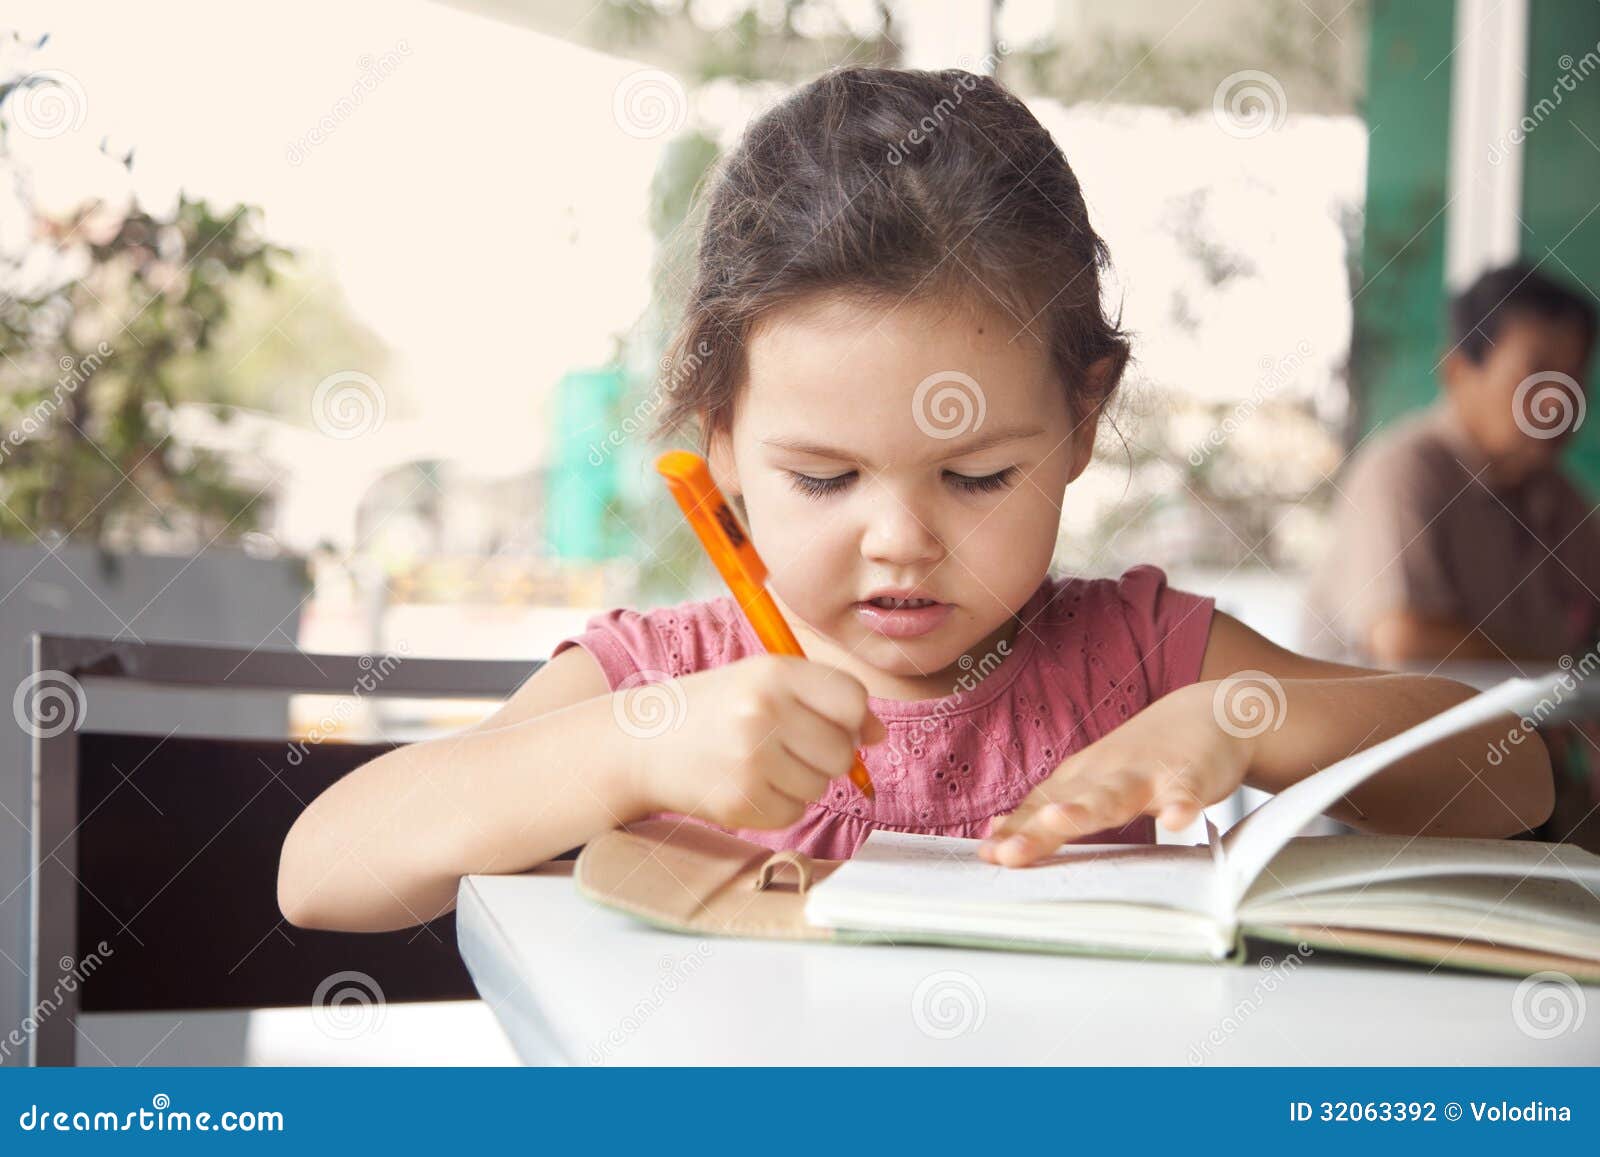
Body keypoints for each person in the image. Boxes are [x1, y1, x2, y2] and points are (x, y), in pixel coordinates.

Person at [277, 67, 1552, 934]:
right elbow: (320, 872)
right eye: (822, 477)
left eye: (978, 473)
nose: (900, 537)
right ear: (719, 442)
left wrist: (1245, 714)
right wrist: (626, 746)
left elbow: (1516, 775)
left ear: (1083, 420)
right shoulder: (663, 675)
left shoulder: (1140, 661)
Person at [1305, 263, 1600, 665]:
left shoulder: (1562, 501)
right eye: (1537, 375)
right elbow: (1406, 643)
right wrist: (1557, 680)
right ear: (1458, 371)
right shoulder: (1402, 471)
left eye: (1574, 377)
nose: (1558, 403)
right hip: (1386, 729)